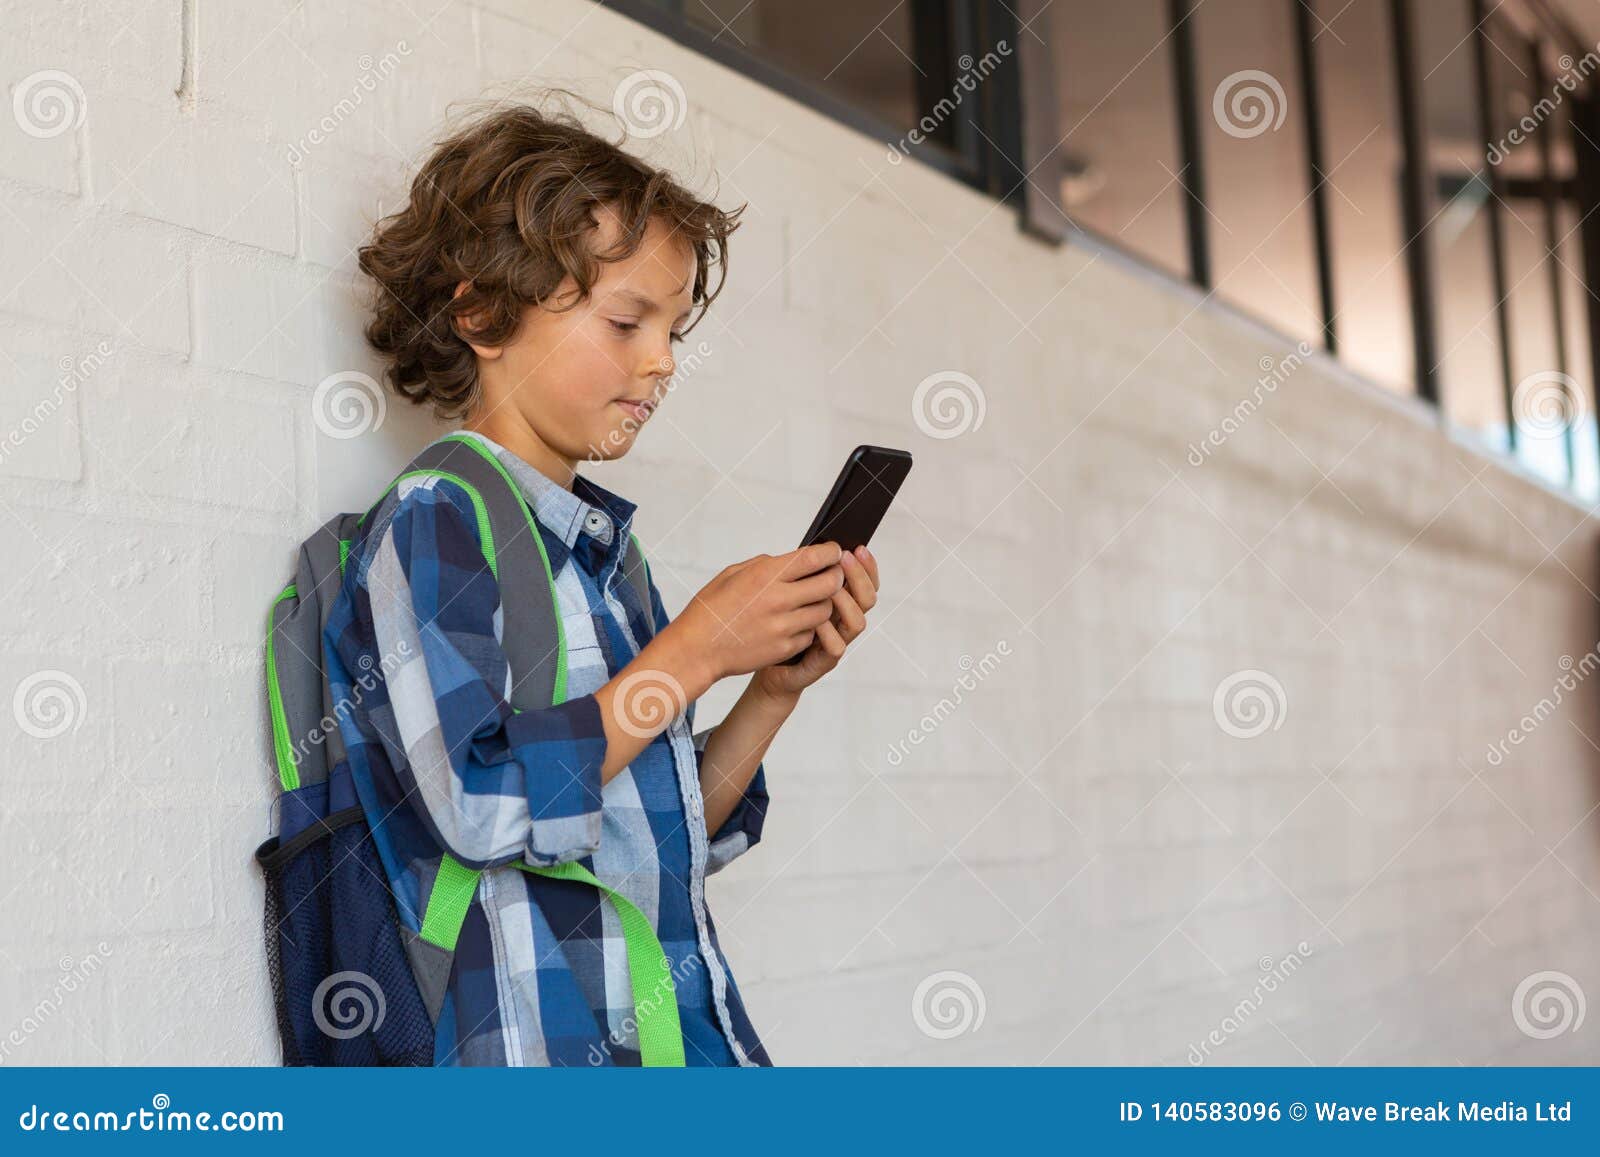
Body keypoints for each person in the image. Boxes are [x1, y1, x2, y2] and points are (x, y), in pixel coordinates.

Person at [321, 98, 881, 1066]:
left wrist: (766, 691)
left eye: (671, 329)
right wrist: (694, 647)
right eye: (626, 321)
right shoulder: (436, 524)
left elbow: (659, 835)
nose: (660, 361)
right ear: (483, 314)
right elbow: (478, 804)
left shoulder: (605, 555)